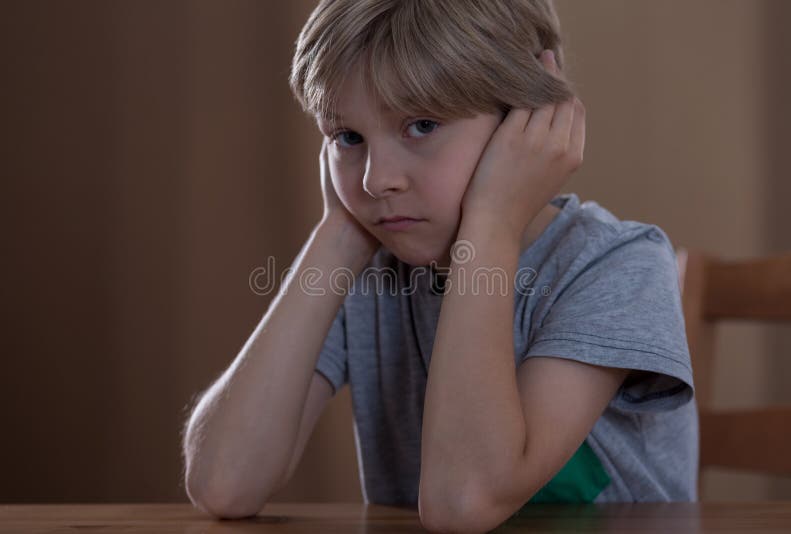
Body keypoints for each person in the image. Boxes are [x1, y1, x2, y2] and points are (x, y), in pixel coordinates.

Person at [182, 1, 698, 531]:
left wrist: (492, 220)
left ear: (527, 117)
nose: (375, 180)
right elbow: (225, 481)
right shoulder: (372, 270)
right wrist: (337, 237)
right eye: (348, 138)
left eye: (422, 125)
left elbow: (464, 502)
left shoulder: (616, 266)